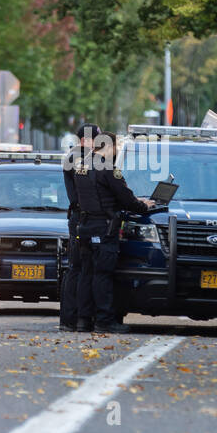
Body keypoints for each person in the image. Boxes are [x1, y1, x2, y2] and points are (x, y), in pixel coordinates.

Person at [72, 130, 153, 334]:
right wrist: (145, 206)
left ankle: (83, 320)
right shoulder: (108, 168)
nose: (117, 150)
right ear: (109, 146)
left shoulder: (81, 166)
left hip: (85, 226)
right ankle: (104, 320)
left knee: (86, 274)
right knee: (103, 275)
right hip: (104, 229)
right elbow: (125, 198)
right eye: (116, 146)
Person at [60, 123, 98, 332]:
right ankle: (71, 319)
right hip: (80, 217)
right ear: (85, 140)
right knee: (77, 267)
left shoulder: (78, 156)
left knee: (78, 267)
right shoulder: (79, 157)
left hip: (79, 216)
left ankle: (72, 318)